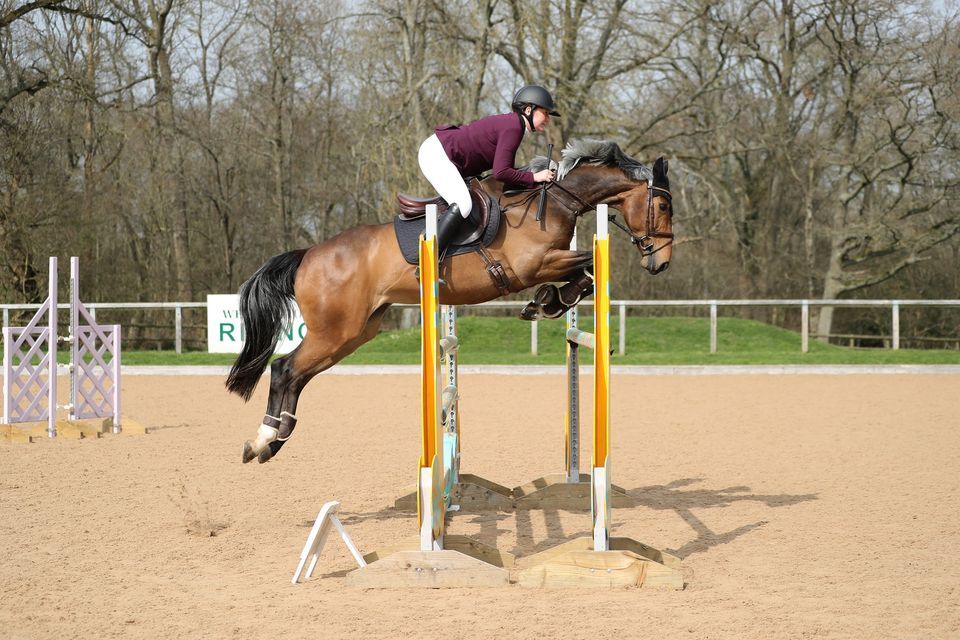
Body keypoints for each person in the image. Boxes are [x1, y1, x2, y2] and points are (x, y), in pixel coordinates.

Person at [418, 84, 560, 257]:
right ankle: (427, 257)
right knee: (464, 204)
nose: (548, 119)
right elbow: (501, 172)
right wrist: (534, 177)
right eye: (545, 113)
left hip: (446, 155)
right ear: (529, 110)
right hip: (437, 154)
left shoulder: (514, 125)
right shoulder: (514, 127)